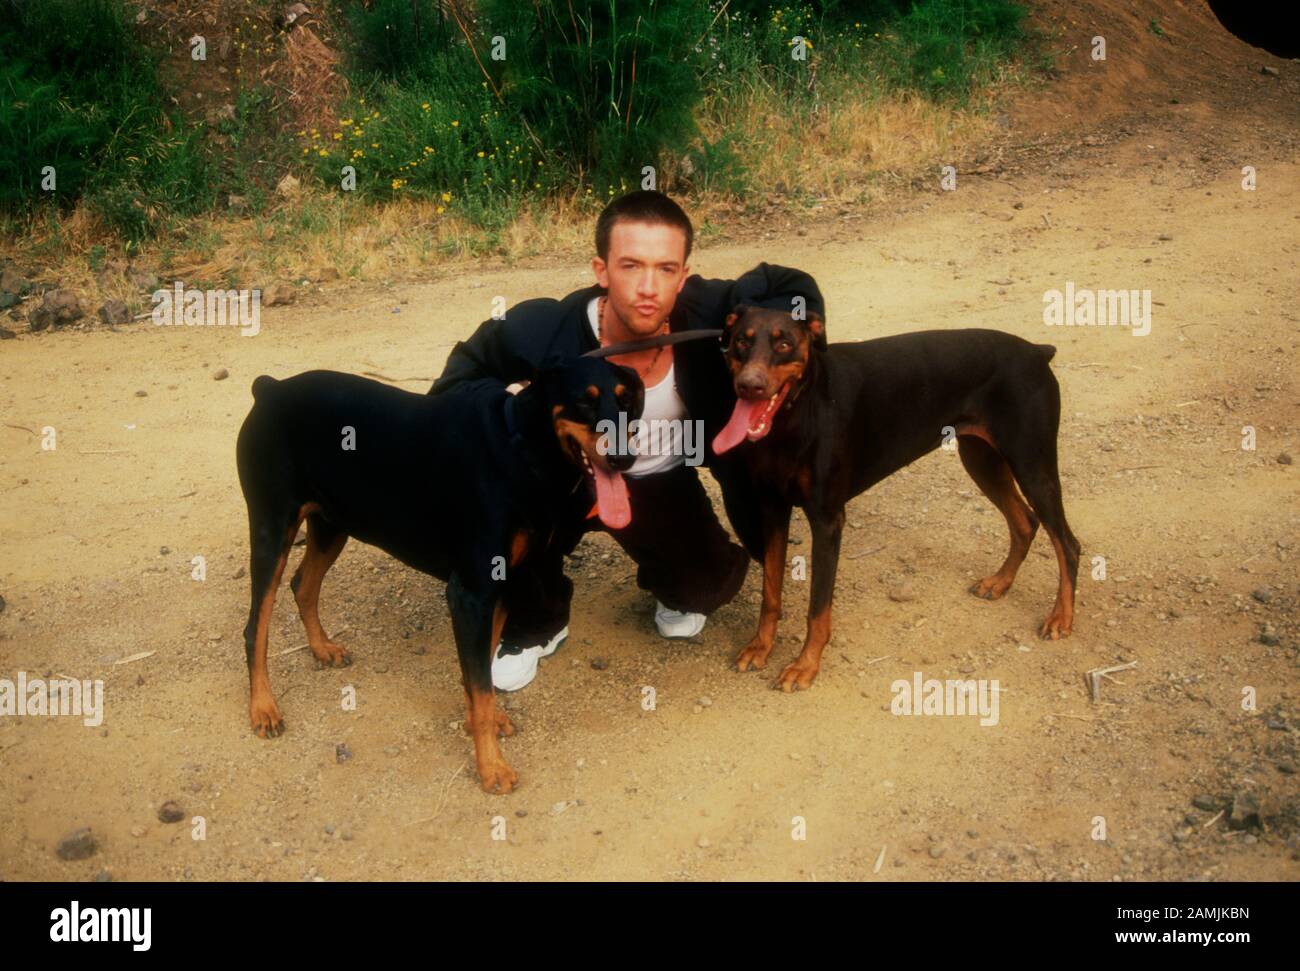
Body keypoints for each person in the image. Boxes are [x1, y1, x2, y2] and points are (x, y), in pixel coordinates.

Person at [430, 190, 824, 690]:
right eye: (630, 266)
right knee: (512, 525)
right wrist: (511, 407)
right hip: (561, 486)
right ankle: (537, 624)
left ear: (684, 275)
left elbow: (788, 281)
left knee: (706, 586)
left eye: (665, 270)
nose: (648, 288)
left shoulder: (708, 310)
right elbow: (451, 390)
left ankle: (666, 574)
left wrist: (766, 311)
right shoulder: (542, 329)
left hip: (656, 479)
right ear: (601, 269)